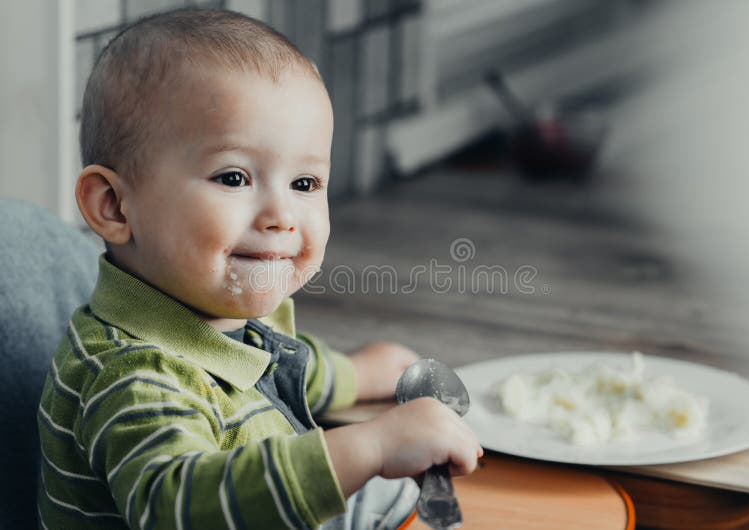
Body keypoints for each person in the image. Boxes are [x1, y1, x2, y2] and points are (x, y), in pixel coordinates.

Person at [37, 8, 482, 530]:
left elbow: (277, 368)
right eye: (233, 177)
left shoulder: (214, 313)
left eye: (305, 184)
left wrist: (356, 373)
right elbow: (177, 506)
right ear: (114, 206)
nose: (281, 216)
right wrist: (372, 444)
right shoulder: (135, 376)